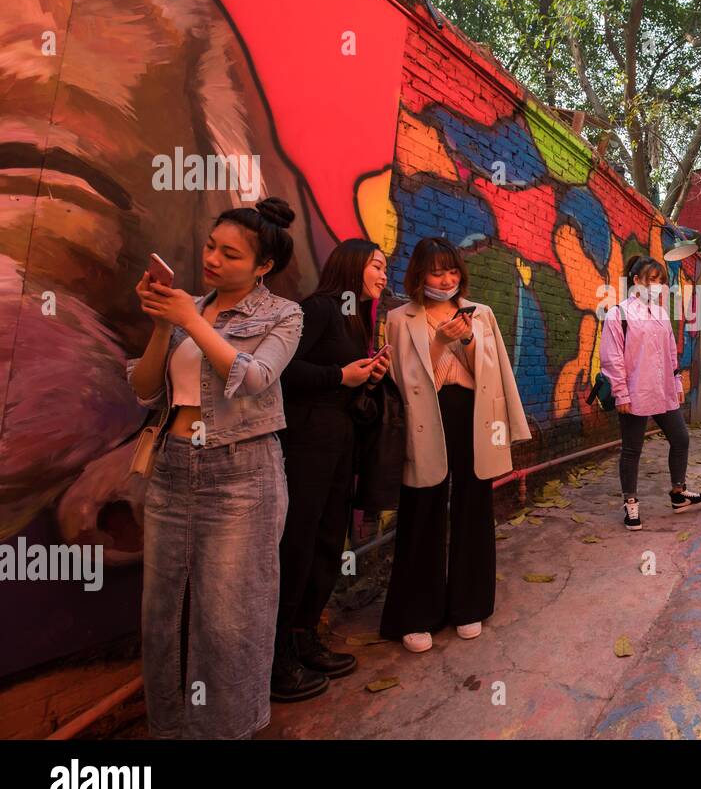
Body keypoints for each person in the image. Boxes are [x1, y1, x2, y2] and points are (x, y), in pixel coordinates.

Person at [126, 198, 303, 739]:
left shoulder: (284, 315)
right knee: (161, 618)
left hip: (241, 475)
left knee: (229, 622)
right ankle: (170, 730)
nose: (214, 259)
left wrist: (190, 322)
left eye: (231, 254)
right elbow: (145, 389)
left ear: (262, 267)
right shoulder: (188, 307)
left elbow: (254, 378)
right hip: (171, 468)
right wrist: (164, 325)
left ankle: (226, 731)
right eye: (211, 246)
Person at [380, 237, 530, 651]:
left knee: (472, 503)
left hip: (471, 414)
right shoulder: (399, 318)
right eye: (436, 271)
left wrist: (462, 340)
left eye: (451, 271)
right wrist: (439, 340)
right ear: (419, 275)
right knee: (422, 507)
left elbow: (494, 372)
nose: (445, 279)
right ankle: (416, 614)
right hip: (424, 419)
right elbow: (404, 378)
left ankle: (470, 605)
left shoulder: (479, 314)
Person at [272, 240, 392, 702]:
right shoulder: (318, 308)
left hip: (341, 443)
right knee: (298, 543)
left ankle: (305, 637)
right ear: (352, 266)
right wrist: (341, 377)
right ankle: (278, 655)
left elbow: (346, 379)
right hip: (305, 445)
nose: (383, 275)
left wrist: (369, 378)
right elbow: (282, 371)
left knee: (327, 540)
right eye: (377, 266)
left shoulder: (357, 318)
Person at [599, 256, 701, 531]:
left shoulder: (661, 314)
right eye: (652, 280)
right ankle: (631, 503)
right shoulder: (619, 314)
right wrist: (621, 394)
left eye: (661, 282)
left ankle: (678, 492)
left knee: (680, 438)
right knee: (632, 449)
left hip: (661, 391)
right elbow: (612, 357)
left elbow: (670, 352)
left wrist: (675, 384)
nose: (658, 286)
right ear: (636, 281)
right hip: (634, 391)